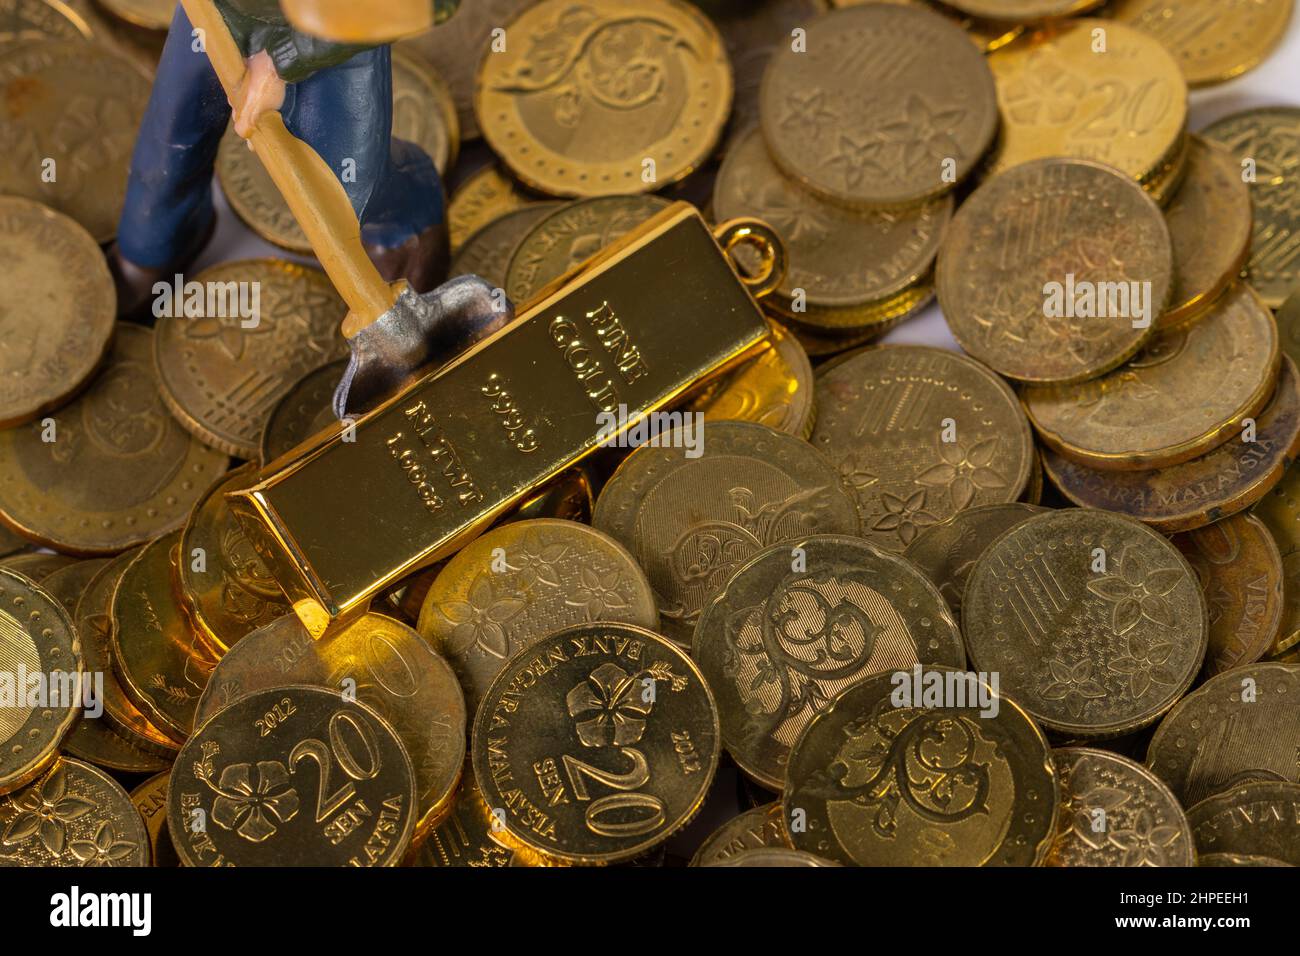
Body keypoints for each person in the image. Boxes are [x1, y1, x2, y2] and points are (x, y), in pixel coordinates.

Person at [110, 0, 449, 315]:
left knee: (350, 186)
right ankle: (154, 244)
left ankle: (409, 218)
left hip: (331, 34)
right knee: (171, 132)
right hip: (218, 10)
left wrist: (286, 58)